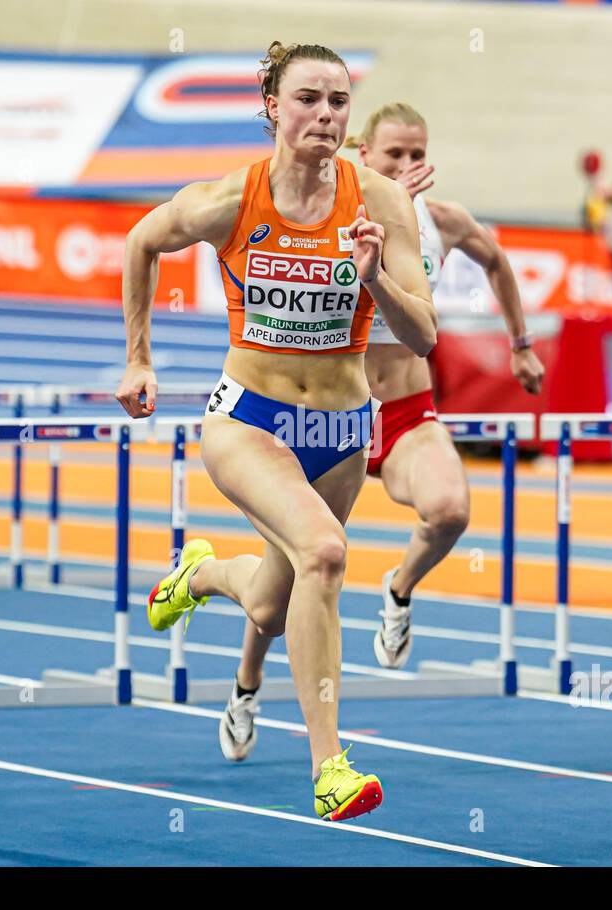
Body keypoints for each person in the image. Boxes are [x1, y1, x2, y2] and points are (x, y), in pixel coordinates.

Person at [117, 41, 436, 822]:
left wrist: (375, 278)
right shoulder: (228, 199)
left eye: (337, 103)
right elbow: (141, 241)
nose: (325, 116)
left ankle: (198, 577)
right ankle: (331, 766)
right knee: (324, 553)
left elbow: (424, 335)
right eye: (308, 100)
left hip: (341, 427)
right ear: (272, 108)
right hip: (249, 419)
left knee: (268, 603)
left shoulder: (382, 204)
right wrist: (138, 358)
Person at [217, 102, 544, 761]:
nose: (407, 166)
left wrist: (521, 344)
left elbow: (497, 263)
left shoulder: (439, 221)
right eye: (393, 154)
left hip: (402, 415)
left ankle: (398, 589)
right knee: (276, 598)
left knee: (450, 509)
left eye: (417, 153)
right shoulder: (328, 209)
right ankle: (246, 684)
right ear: (362, 154)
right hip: (328, 419)